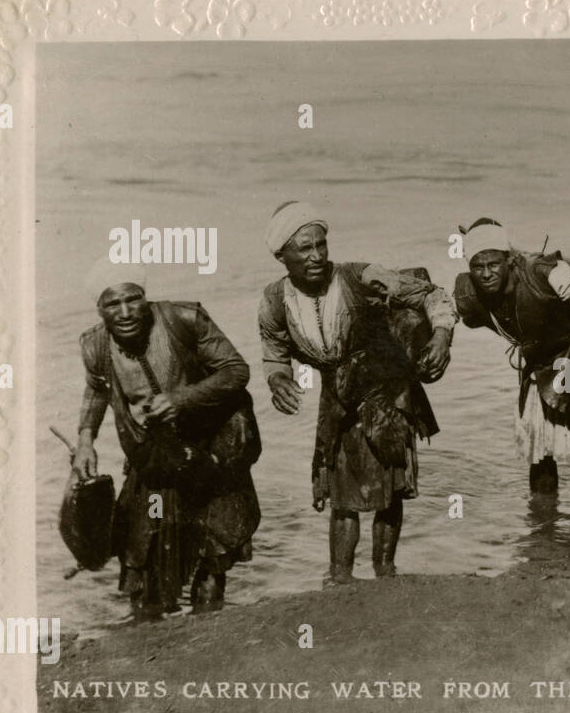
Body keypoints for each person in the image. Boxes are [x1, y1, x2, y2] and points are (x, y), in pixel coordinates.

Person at [259, 201, 457, 585]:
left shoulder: (359, 277)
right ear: (282, 255)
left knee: (391, 487)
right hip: (338, 393)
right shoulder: (273, 300)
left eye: (321, 244)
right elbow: (273, 352)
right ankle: (340, 577)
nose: (316, 256)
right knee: (341, 493)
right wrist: (278, 380)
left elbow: (433, 295)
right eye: (304, 249)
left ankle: (385, 571)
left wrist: (442, 336)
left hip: (386, 383)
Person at [73, 266, 259, 616]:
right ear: (100, 309)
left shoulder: (184, 318)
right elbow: (97, 389)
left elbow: (236, 370)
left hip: (209, 452)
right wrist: (86, 438)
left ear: (146, 298)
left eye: (134, 299)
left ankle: (208, 633)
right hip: (155, 458)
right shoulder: (94, 344)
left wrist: (182, 399)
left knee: (212, 550)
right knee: (144, 552)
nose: (126, 312)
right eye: (113, 303)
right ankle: (150, 632)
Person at [453, 218, 570, 501]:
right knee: (539, 454)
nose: (485, 274)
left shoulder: (544, 273)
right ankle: (544, 534)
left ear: (509, 260)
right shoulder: (469, 292)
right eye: (477, 267)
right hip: (539, 364)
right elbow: (444, 312)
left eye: (493, 264)